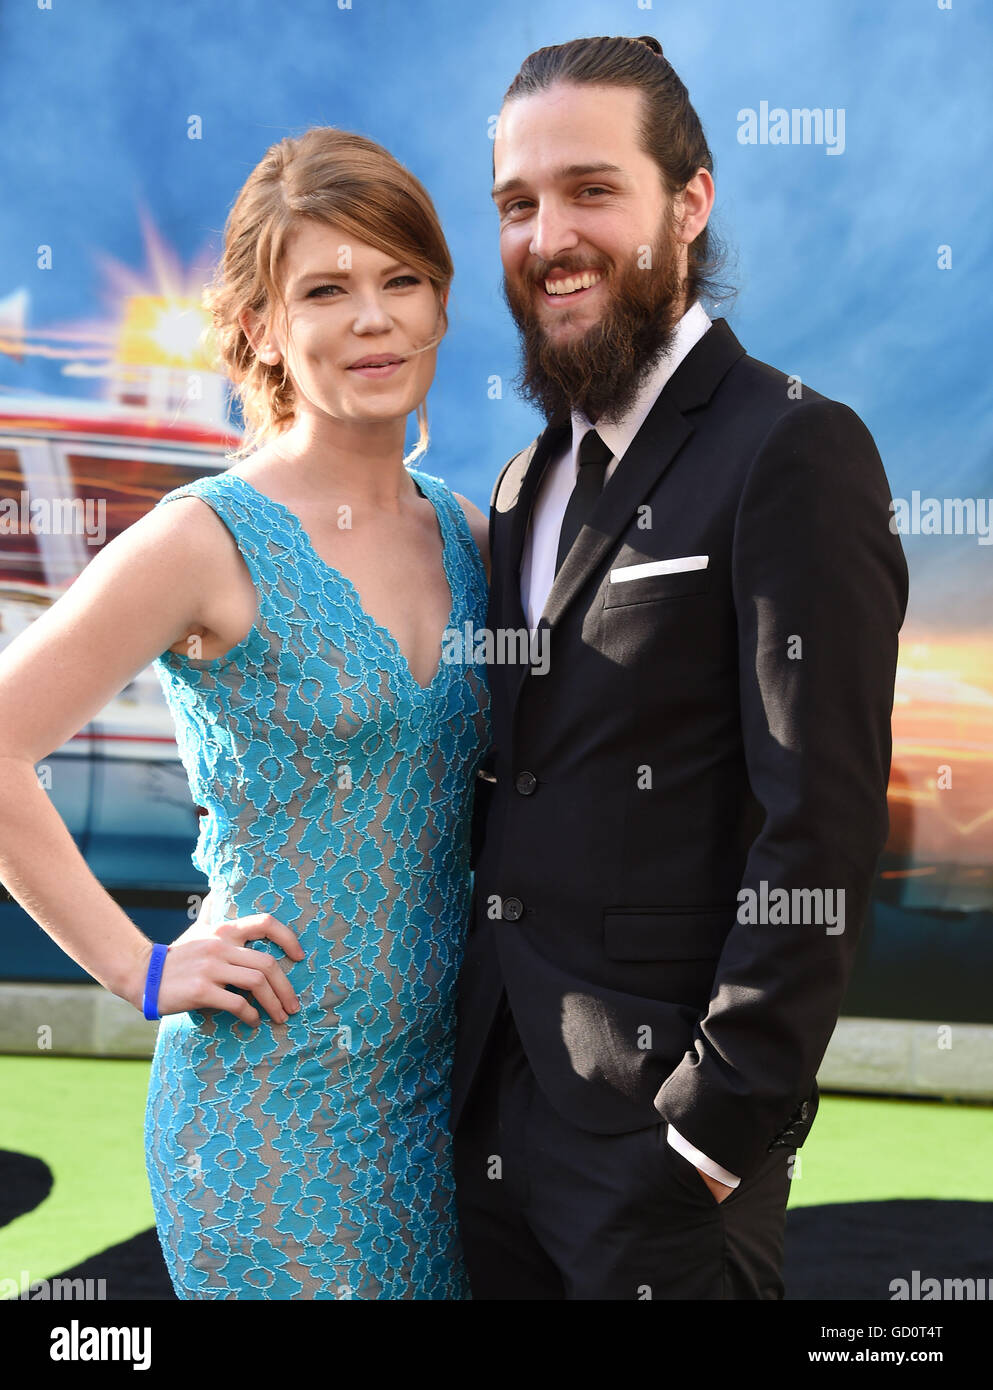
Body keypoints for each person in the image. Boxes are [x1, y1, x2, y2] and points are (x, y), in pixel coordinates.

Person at [451, 35, 909, 1300]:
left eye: (593, 191)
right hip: (487, 1132)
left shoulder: (795, 448)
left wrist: (715, 1129)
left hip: (662, 1157)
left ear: (690, 201)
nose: (551, 236)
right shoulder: (525, 477)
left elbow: (818, 822)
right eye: (518, 203)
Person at [0, 127, 492, 1299]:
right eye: (325, 288)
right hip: (267, 1116)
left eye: (401, 279)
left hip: (448, 1116)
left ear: (438, 301)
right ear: (264, 325)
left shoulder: (472, 532)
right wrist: (138, 965)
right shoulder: (200, 539)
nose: (372, 318)